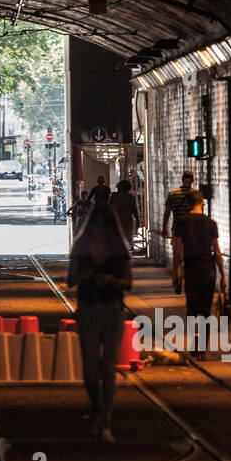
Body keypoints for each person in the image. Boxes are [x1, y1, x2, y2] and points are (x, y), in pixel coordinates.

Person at [67, 203, 132, 442]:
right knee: (90, 369)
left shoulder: (119, 250)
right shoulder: (81, 247)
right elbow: (70, 279)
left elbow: (128, 282)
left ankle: (105, 420)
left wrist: (110, 280)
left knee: (109, 368)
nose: (101, 231)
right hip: (89, 310)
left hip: (113, 310)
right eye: (98, 226)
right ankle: (97, 409)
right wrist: (84, 275)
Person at [173, 190, 225, 359]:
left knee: (192, 309)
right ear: (202, 203)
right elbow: (216, 252)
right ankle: (203, 346)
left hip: (191, 268)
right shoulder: (211, 223)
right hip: (208, 269)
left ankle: (194, 343)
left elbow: (178, 251)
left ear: (188, 204)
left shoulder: (182, 223)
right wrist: (223, 275)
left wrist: (177, 272)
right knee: (205, 310)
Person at [161, 171, 197, 280]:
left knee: (177, 254)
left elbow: (167, 213)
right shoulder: (196, 195)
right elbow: (199, 213)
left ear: (182, 179)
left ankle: (176, 276)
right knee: (191, 254)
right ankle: (190, 275)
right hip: (191, 230)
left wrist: (164, 228)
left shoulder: (173, 194)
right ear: (192, 180)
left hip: (177, 228)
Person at [108, 179, 141, 251]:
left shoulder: (114, 196)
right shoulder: (130, 197)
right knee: (127, 238)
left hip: (116, 221)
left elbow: (109, 209)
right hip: (127, 221)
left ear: (118, 187)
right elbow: (134, 210)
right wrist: (138, 220)